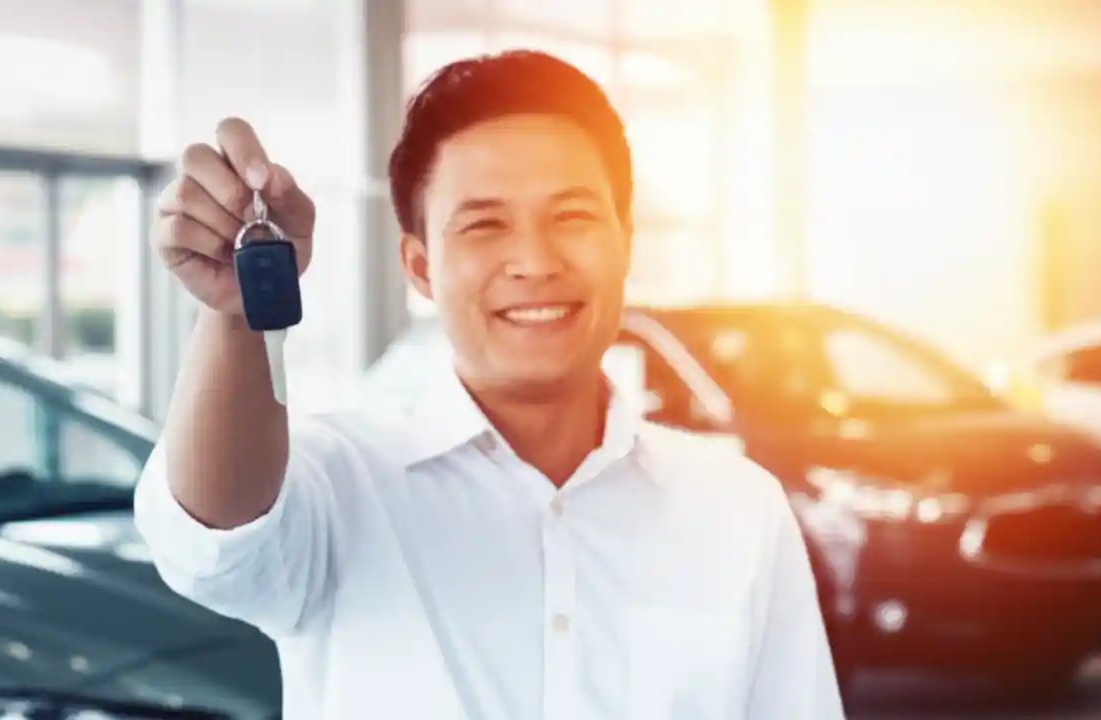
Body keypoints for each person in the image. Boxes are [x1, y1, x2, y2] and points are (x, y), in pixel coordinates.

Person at [134, 49, 845, 719]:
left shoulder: (735, 508)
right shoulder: (340, 479)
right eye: (484, 225)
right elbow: (213, 541)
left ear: (625, 241)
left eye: (571, 217)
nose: (534, 262)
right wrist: (236, 315)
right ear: (419, 267)